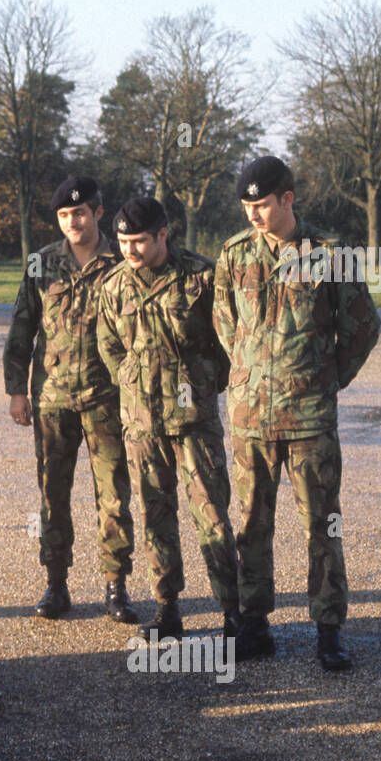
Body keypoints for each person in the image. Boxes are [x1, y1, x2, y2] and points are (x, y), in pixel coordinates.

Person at [212, 156, 381, 670]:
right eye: (247, 207)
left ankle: (328, 631)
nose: (254, 216)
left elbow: (363, 327)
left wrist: (327, 379)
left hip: (309, 419)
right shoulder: (234, 254)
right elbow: (225, 324)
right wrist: (246, 375)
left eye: (262, 205)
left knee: (322, 525)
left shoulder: (330, 253)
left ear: (288, 199)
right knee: (251, 525)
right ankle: (255, 626)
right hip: (249, 419)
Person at [96, 197, 240, 640]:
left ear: (163, 234)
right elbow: (109, 346)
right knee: (156, 518)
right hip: (142, 423)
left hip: (193, 420)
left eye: (138, 241)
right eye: (122, 242)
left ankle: (234, 614)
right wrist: (134, 380)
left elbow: (227, 342)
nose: (130, 251)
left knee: (212, 515)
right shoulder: (114, 285)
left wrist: (200, 384)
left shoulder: (201, 276)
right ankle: (167, 609)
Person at [5, 176, 136, 621]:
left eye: (80, 213)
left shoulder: (122, 258)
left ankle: (116, 585)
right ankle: (55, 584)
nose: (73, 222)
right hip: (52, 400)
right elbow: (22, 327)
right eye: (64, 216)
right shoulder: (41, 263)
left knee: (113, 494)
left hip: (108, 397)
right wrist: (15, 391)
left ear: (98, 213)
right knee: (51, 496)